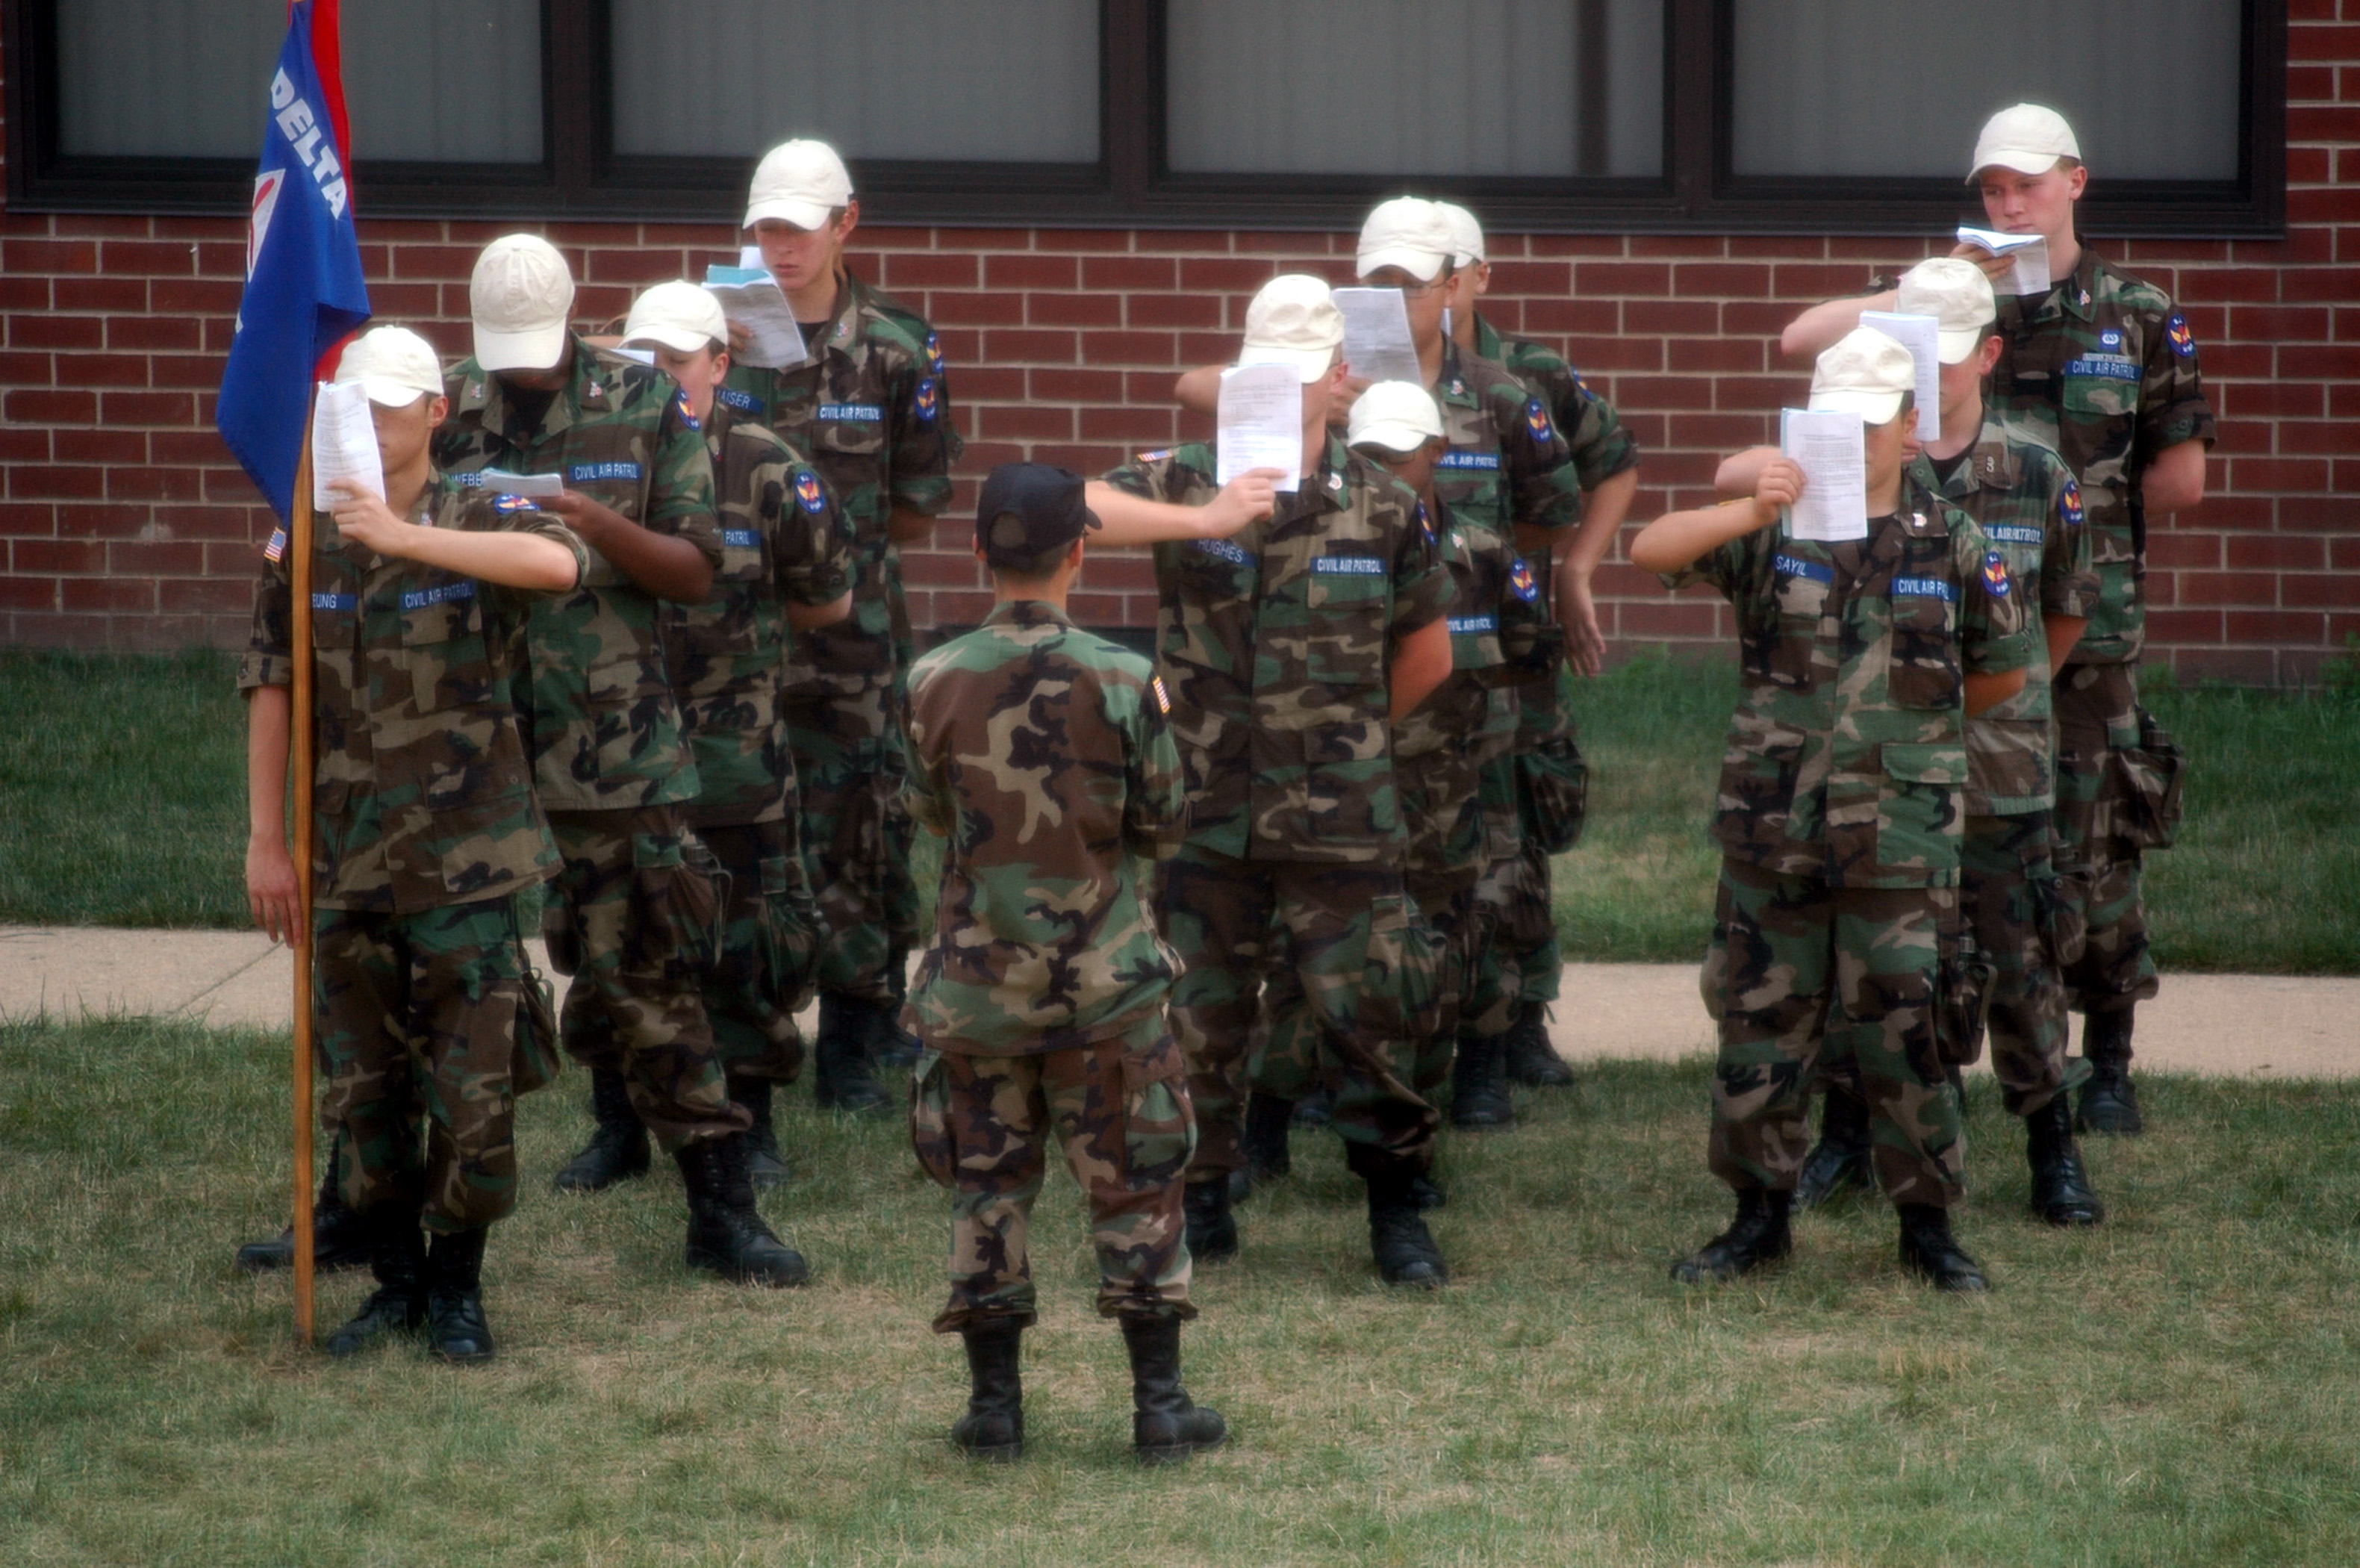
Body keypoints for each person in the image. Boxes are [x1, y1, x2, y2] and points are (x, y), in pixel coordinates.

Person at [1781, 105, 2215, 1134]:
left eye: (2026, 184)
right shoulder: (1938, 302)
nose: (2009, 204)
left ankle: (2106, 1060)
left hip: (2082, 624)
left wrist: (2068, 525)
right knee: (1939, 845)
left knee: (2092, 842)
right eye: (1991, 188)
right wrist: (1926, 290)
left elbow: (2180, 479)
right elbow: (1799, 339)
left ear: (2075, 181)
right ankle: (1920, 1055)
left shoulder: (2136, 313)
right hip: (1935, 625)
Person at [434, 234, 805, 1287]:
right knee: (426, 975)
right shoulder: (442, 402)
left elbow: (693, 572)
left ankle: (721, 1210)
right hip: (460, 734)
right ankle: (362, 1203)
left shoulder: (643, 403)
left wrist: (594, 521)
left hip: (609, 741)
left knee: (645, 966)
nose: (515, 371)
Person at [1631, 328, 2033, 1292]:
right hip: (1774, 825)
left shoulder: (1954, 541)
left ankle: (1926, 1228)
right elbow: (1648, 552)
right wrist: (1745, 505)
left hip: (1898, 832)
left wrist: (1904, 736)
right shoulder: (1772, 527)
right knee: (1759, 1022)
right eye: (1833, 422)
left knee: (1908, 1027)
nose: (1852, 440)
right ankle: (1757, 1218)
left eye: (1870, 423)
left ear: (1908, 426)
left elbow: (2000, 673)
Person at [1090, 275, 1457, 1287]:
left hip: (1341, 813)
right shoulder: (1182, 479)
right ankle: (1204, 1198)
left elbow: (1428, 654)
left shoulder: (1382, 503)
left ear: (1337, 377)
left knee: (1370, 1012)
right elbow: (1062, 508)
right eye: (1265, 373)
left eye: (1302, 375)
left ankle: (1395, 1207)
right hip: (1207, 809)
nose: (1285, 391)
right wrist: (1199, 518)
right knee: (1196, 1016)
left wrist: (1347, 737)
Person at [1734, 258, 2105, 1225]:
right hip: (1871, 771)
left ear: (1987, 354)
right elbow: (1734, 499)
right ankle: (1848, 1135)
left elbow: (2063, 611)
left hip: (1995, 760)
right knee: (1872, 956)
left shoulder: (2033, 472)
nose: (1927, 371)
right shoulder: (1844, 460)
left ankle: (2051, 1146)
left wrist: (1972, 704)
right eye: (1910, 351)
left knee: (2016, 954)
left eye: (1945, 353)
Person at [240, 326, 587, 1360]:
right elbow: (271, 681)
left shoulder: (477, 511)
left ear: (437, 412)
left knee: (471, 1089)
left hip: (465, 857)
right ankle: (393, 1281)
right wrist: (267, 840)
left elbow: (558, 564)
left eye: (394, 404)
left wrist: (403, 537)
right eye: (356, 404)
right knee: (365, 1089)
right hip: (346, 854)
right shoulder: (302, 534)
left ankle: (457, 1287)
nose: (374, 421)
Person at [903, 463, 1225, 1466]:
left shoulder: (931, 678)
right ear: (1080, 551)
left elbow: (933, 813)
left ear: (977, 551)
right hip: (1105, 991)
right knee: (1136, 1187)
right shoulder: (1124, 678)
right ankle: (1159, 1410)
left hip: (978, 993)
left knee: (987, 1190)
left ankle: (995, 1413)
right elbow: (1162, 824)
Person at [1245, 382, 1560, 1178]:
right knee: (1305, 952)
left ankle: (1443, 1097)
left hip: (1444, 788)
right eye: (1371, 457)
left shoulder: (1484, 555)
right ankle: (1276, 1114)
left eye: (1401, 457)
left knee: (1444, 944)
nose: (1386, 472)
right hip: (1340, 789)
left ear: (1437, 456)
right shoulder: (1316, 543)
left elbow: (1529, 653)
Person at [723, 139, 965, 1110]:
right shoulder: (713, 337)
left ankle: (858, 1041)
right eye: (764, 230)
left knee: (860, 825)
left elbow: (917, 503)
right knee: (737, 828)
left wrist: (837, 556)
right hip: (732, 636)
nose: (779, 249)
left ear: (845, 224)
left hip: (852, 640)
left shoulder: (898, 347)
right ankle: (744, 1025)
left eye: (797, 229)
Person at [617, 280, 855, 1189]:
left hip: (732, 745)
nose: (661, 378)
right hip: (620, 738)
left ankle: (750, 1120)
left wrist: (738, 642)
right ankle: (618, 1125)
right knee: (616, 932)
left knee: (747, 936)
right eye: (644, 361)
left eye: (677, 361)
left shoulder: (767, 468)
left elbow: (826, 598)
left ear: (720, 365)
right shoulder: (603, 459)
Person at [1438, 199, 1644, 1088]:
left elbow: (1613, 462)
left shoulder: (1529, 373)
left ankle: (1521, 1013)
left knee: (1516, 815)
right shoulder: (1349, 374)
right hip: (1407, 631)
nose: (1424, 294)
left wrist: (1575, 571)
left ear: (1479, 276)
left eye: (1446, 274)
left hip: (1510, 632)